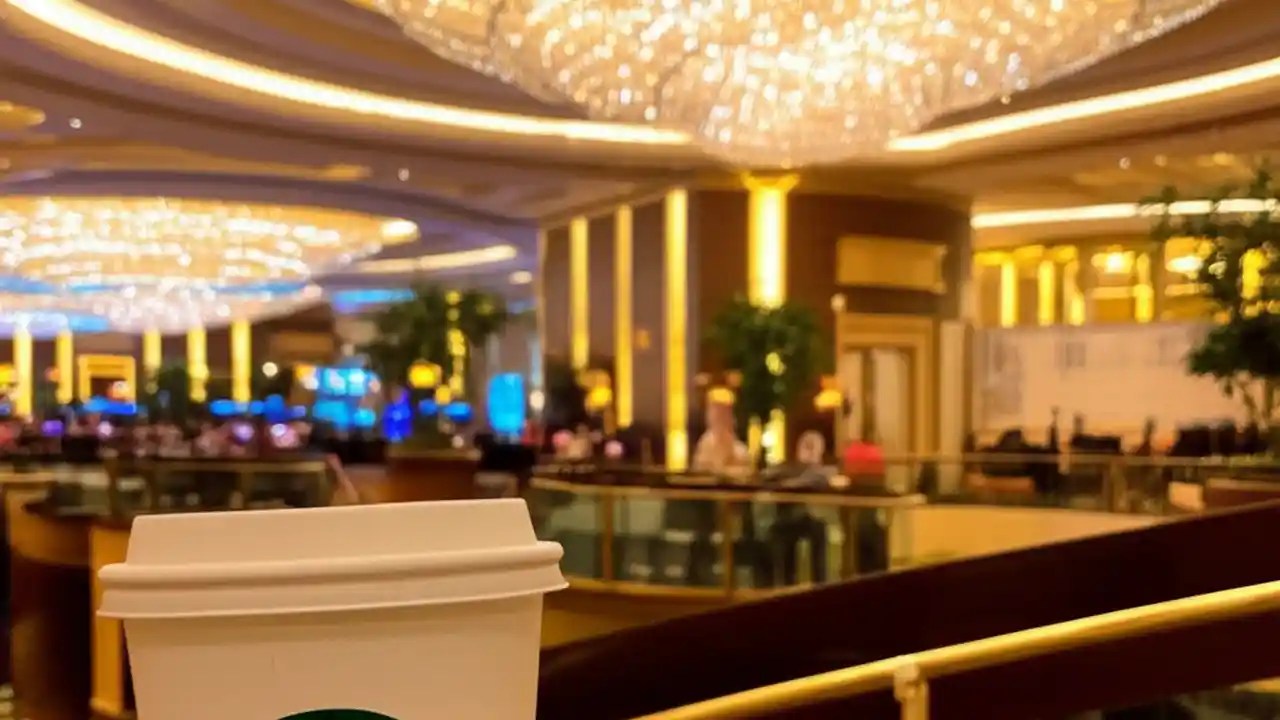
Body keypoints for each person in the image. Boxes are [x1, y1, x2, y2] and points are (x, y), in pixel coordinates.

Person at [691, 399, 750, 477]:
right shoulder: (705, 444)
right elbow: (698, 471)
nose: (720, 420)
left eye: (724, 415)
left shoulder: (741, 452)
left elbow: (746, 473)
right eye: (716, 415)